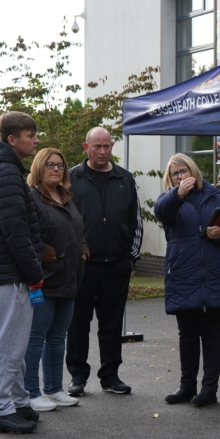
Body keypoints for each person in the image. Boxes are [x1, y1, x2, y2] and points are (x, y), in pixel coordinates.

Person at [154, 154, 220, 407]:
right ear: (170, 179)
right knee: (188, 334)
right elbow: (161, 213)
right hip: (184, 273)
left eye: (184, 171)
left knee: (213, 334)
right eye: (175, 174)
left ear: (193, 171)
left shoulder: (214, 196)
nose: (180, 177)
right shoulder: (168, 200)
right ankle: (186, 387)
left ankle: (209, 390)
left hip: (214, 273)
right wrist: (177, 194)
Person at [0, 111, 44, 434]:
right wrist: (34, 271)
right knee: (8, 343)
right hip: (9, 272)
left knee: (14, 342)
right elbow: (16, 231)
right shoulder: (5, 172)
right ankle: (0, 410)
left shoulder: (3, 169)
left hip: (4, 270)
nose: (35, 140)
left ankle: (17, 401)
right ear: (11, 139)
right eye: (30, 135)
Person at [66, 126, 143, 397]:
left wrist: (131, 257)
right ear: (86, 148)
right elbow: (63, 220)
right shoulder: (71, 178)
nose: (102, 151)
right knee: (78, 323)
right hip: (83, 266)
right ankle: (77, 376)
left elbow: (137, 220)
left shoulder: (125, 178)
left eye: (106, 146)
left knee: (111, 324)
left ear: (112, 147)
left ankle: (110, 376)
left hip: (117, 265)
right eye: (96, 147)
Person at [24, 148, 88, 412]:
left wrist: (84, 249)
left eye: (61, 165)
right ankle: (31, 392)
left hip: (69, 279)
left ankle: (54, 389)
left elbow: (77, 229)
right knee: (36, 336)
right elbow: (26, 233)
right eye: (50, 164)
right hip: (45, 280)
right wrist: (46, 254)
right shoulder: (31, 197)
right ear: (39, 167)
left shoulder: (66, 197)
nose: (56, 169)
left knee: (58, 337)